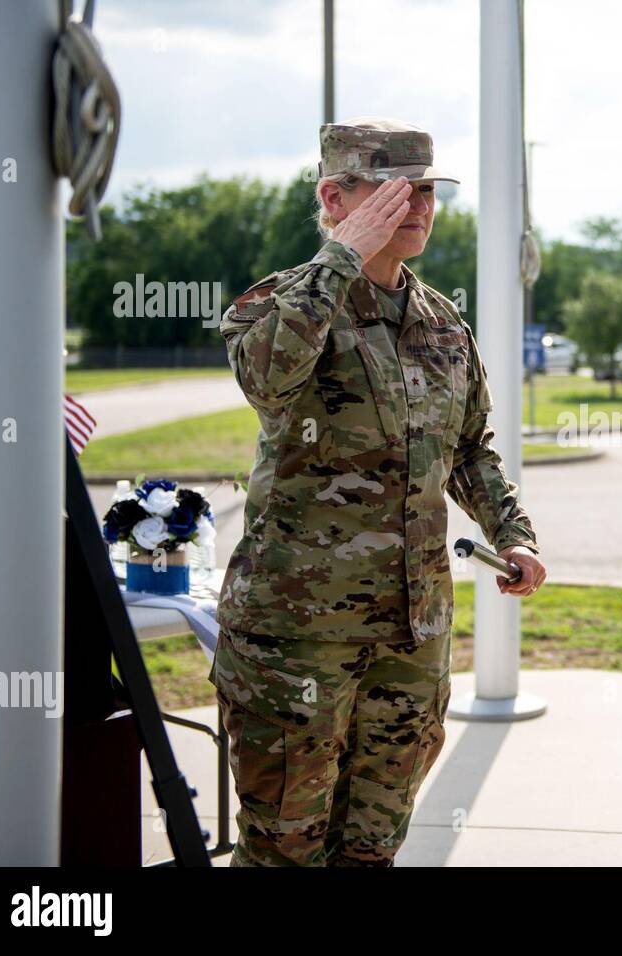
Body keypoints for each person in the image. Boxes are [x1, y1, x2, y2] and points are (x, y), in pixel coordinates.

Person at [210, 117, 546, 866]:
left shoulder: (442, 324)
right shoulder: (276, 303)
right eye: (399, 192)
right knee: (284, 852)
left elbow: (469, 449)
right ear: (337, 196)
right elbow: (267, 380)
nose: (421, 208)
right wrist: (341, 258)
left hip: (411, 637)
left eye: (429, 192)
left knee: (371, 849)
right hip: (298, 642)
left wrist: (512, 532)